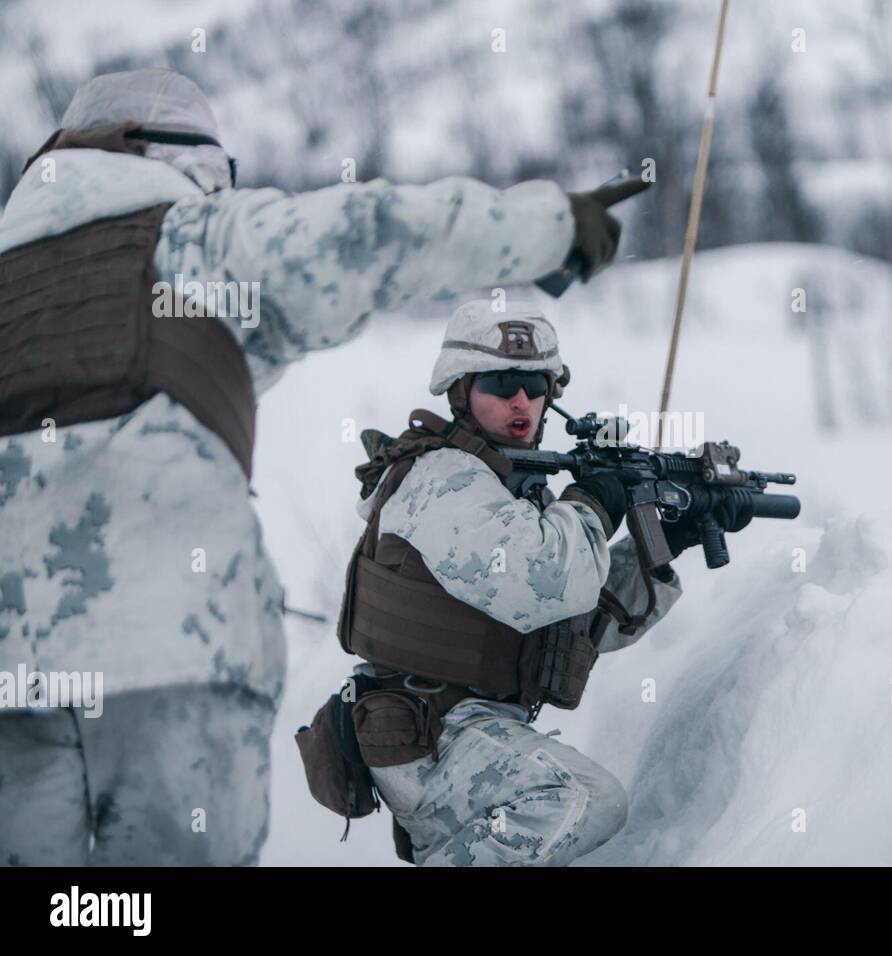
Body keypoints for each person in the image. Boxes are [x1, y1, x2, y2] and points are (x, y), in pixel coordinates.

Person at [0, 68, 623, 866]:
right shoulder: (191, 239)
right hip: (165, 655)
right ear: (188, 163)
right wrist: (547, 225)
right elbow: (375, 233)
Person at [323, 300, 741, 866]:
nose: (521, 401)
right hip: (431, 734)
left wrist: (670, 540)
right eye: (500, 384)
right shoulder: (443, 479)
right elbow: (542, 581)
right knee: (585, 800)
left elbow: (577, 623)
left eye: (535, 385)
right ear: (460, 390)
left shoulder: (512, 492)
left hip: (461, 729)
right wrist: (592, 503)